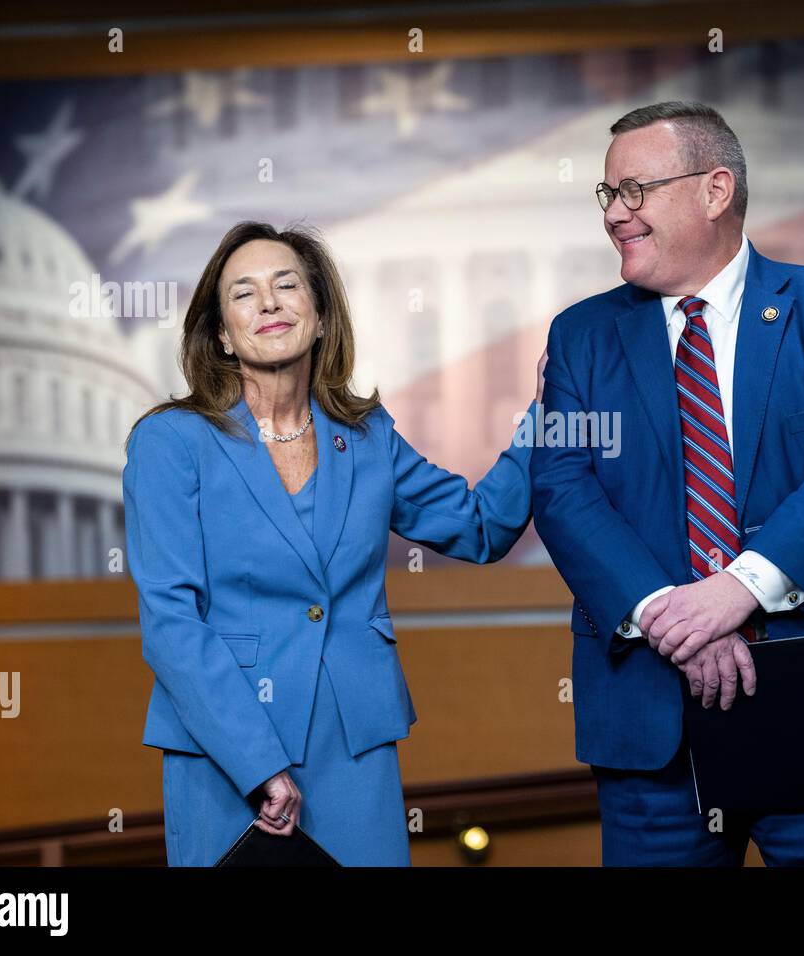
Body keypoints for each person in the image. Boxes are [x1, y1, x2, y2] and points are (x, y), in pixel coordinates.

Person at [531, 101, 804, 866]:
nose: (616, 214)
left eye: (634, 191)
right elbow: (562, 489)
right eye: (607, 195)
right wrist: (669, 617)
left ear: (715, 190)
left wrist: (737, 590)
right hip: (652, 719)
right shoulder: (579, 336)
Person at [122, 221, 543, 866]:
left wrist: (549, 412)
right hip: (225, 751)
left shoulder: (367, 435)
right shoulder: (170, 441)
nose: (269, 302)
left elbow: (482, 526)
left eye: (287, 285)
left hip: (353, 747)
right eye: (244, 293)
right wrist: (256, 764)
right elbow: (171, 623)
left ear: (320, 318)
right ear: (220, 334)